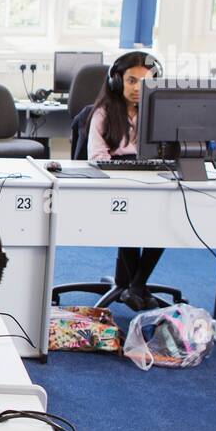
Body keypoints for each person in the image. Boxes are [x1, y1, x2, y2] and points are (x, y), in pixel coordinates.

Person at [87, 51, 168, 311]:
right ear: (117, 81)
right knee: (129, 218)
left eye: (145, 82)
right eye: (132, 80)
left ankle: (136, 286)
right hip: (115, 185)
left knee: (167, 219)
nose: (137, 88)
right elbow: (97, 156)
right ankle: (138, 287)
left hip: (151, 182)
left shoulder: (159, 114)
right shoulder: (103, 114)